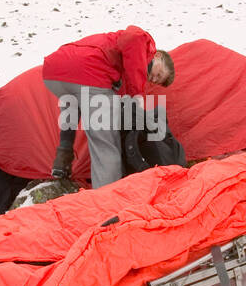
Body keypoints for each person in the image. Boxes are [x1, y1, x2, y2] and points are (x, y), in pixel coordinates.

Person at [41, 26, 175, 187]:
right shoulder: (144, 42)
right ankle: (107, 203)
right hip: (85, 71)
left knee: (74, 102)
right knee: (106, 144)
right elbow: (133, 37)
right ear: (158, 55)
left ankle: (64, 153)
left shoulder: (119, 65)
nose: (153, 78)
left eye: (155, 81)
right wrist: (138, 98)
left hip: (54, 72)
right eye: (158, 74)